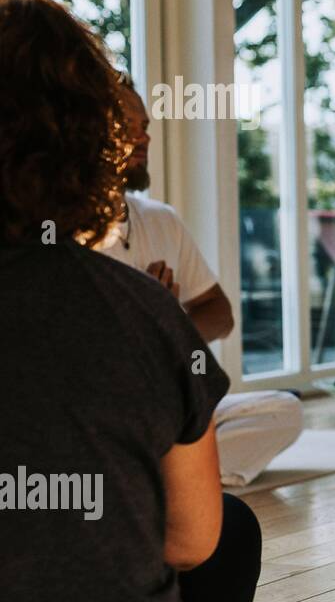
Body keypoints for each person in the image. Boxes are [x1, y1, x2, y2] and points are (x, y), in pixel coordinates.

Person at [0, 0, 258, 602]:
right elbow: (193, 539)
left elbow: (219, 311)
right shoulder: (140, 313)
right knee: (227, 528)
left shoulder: (157, 247)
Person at [96, 76, 303, 487]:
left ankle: (156, 479)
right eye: (128, 126)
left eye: (147, 127)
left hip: (168, 406)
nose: (144, 138)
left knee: (284, 409)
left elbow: (220, 314)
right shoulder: (67, 231)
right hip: (108, 410)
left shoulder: (159, 219)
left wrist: (168, 322)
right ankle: (173, 480)